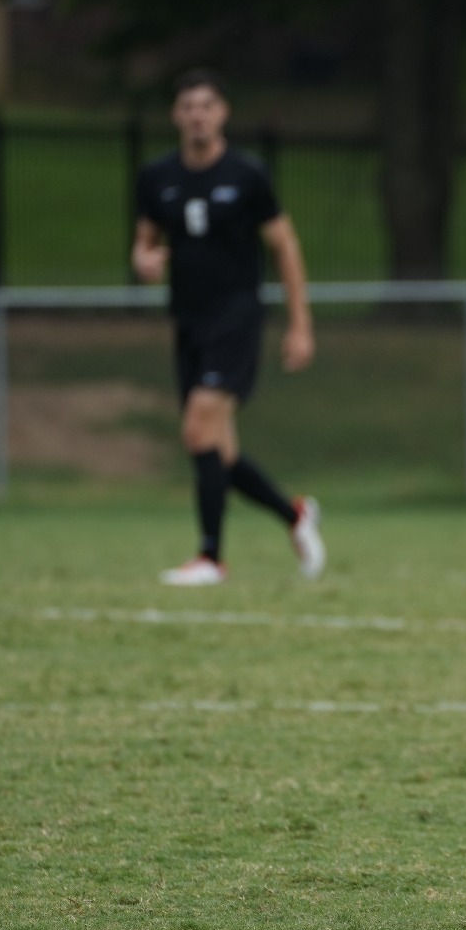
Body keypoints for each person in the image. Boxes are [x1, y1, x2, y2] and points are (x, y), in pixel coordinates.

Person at [134, 67, 325, 586]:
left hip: (237, 318)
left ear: (223, 114)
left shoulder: (247, 176)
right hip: (188, 321)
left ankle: (211, 557)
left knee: (198, 427)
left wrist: (300, 325)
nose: (198, 115)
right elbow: (145, 240)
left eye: (207, 106)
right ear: (177, 115)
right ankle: (295, 514)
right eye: (188, 106)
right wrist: (144, 260)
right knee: (220, 453)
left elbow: (285, 247)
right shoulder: (158, 177)